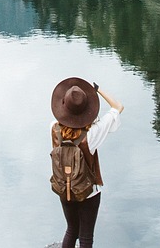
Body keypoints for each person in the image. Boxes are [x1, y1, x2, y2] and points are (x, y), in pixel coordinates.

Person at [50, 77, 124, 248]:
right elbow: (118, 107)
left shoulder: (53, 128)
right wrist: (97, 90)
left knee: (71, 230)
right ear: (86, 108)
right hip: (87, 191)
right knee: (86, 237)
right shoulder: (91, 135)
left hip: (64, 188)